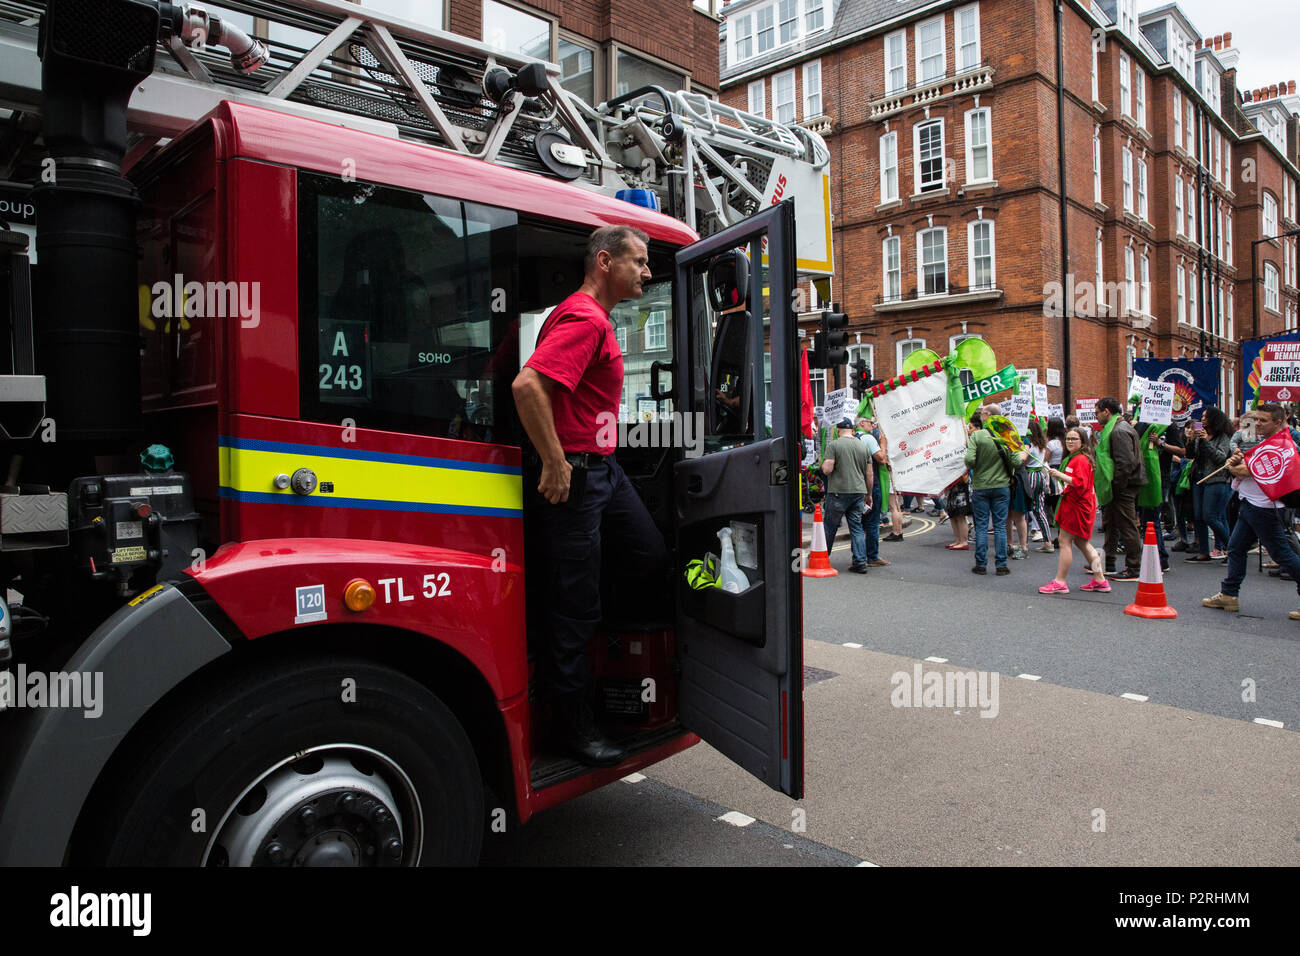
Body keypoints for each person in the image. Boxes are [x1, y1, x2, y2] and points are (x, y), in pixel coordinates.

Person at [512, 224, 662, 767]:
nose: (646, 272)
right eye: (639, 262)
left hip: (604, 468)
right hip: (578, 474)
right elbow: (527, 387)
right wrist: (555, 461)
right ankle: (571, 725)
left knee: (647, 556)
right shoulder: (584, 318)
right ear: (605, 261)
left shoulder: (590, 317)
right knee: (575, 607)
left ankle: (599, 648)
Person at [1202, 404, 1300, 618]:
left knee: (1281, 553)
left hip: (1264, 507)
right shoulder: (1267, 442)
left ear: (1278, 422)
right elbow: (1243, 466)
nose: (1257, 424)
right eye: (1256, 420)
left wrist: (1234, 464)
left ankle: (1229, 592)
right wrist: (1237, 462)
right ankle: (1229, 594)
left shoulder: (1281, 445)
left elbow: (1243, 471)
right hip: (1250, 503)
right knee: (1236, 548)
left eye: (1263, 421)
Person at [1039, 427, 1110, 593]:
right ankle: (1100, 579)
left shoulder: (1080, 460)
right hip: (1077, 504)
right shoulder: (1077, 458)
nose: (1070, 441)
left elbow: (1080, 483)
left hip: (1077, 506)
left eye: (1074, 439)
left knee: (1065, 541)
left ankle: (1060, 581)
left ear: (1082, 441)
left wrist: (1059, 475)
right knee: (1081, 542)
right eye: (1068, 439)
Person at [965, 403, 1027, 575]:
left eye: (983, 413)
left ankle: (981, 564)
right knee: (1000, 526)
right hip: (1001, 487)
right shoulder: (1006, 436)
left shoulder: (977, 436)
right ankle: (1001, 565)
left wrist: (979, 464)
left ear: (987, 415)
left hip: (981, 487)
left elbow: (969, 461)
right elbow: (1016, 462)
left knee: (982, 526)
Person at [1094, 396, 1146, 581]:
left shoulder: (1118, 431)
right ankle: (1108, 561)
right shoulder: (1117, 428)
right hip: (1118, 484)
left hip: (1123, 486)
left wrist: (1116, 486)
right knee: (1110, 523)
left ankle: (1133, 567)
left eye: (1097, 413)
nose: (1096, 417)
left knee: (1126, 525)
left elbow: (1125, 463)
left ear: (1106, 411)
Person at [822, 418, 875, 573]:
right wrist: (869, 495)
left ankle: (823, 558)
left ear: (838, 430)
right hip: (859, 492)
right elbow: (870, 474)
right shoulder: (863, 446)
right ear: (852, 430)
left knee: (830, 527)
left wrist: (824, 461)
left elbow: (827, 470)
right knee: (857, 528)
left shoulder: (834, 445)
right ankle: (860, 562)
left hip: (839, 491)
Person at [1185, 405, 1233, 563]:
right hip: (1199, 478)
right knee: (1198, 516)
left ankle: (1232, 548)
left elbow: (1220, 458)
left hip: (1216, 480)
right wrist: (1192, 441)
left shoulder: (1223, 437)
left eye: (1205, 417)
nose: (1202, 419)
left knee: (1211, 517)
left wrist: (1206, 441)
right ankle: (1204, 551)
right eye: (1202, 417)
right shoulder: (1199, 433)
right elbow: (1191, 455)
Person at [1136, 421, 1182, 574]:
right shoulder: (1141, 425)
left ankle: (1160, 560)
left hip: (1161, 477)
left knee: (1152, 519)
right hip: (1143, 477)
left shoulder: (1169, 426)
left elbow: (1182, 451)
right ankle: (1158, 558)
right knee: (1146, 521)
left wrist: (1160, 443)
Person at [855, 417, 890, 567]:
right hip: (871, 484)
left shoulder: (853, 438)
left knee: (858, 524)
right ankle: (872, 556)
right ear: (861, 424)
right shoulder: (868, 438)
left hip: (855, 485)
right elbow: (881, 459)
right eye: (870, 422)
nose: (873, 425)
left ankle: (859, 557)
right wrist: (883, 445)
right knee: (872, 523)